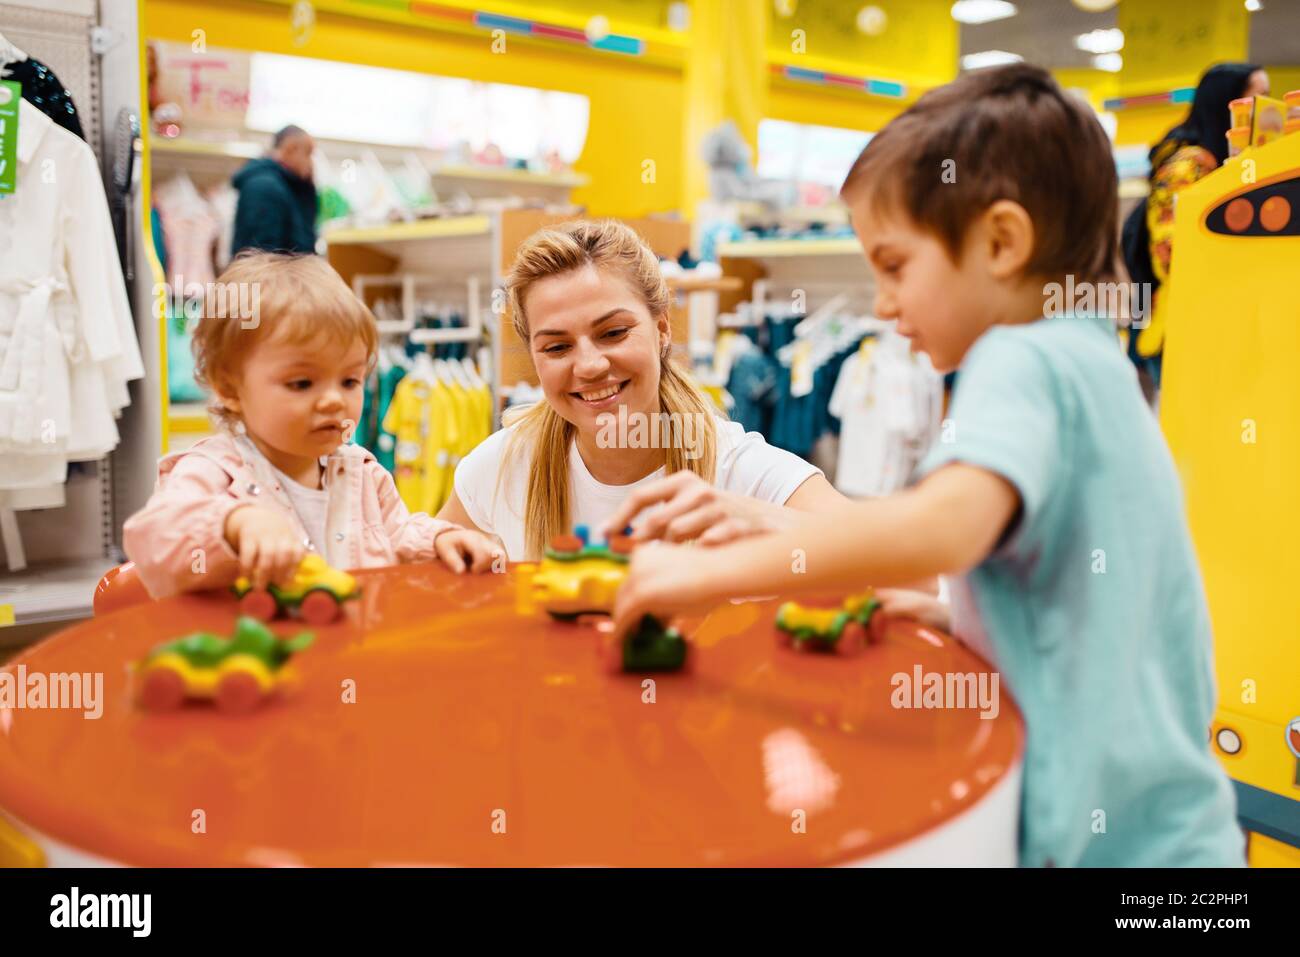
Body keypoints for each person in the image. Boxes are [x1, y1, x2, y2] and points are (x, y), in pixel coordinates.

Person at [613, 64, 1244, 867]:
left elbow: (945, 528)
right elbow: (1084, 596)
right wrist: (966, 620)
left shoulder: (1022, 362)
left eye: (894, 266)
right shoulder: (1090, 360)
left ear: (1001, 242)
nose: (879, 304)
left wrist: (707, 575)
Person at [438, 219, 848, 562]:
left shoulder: (742, 473)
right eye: (557, 347)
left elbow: (884, 562)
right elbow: (427, 574)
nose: (590, 365)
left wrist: (765, 523)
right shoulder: (504, 464)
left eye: (613, 333)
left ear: (663, 329)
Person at [123, 253, 499, 599]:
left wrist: (440, 541)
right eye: (302, 383)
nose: (334, 400)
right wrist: (233, 524)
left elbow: (398, 534)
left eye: (350, 381)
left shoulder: (362, 472)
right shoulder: (212, 471)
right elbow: (153, 538)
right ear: (229, 388)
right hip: (254, 661)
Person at [1123, 62, 1269, 381]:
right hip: (1185, 328)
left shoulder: (1234, 166)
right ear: (1226, 104)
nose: (1269, 110)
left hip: (1220, 325)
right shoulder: (1187, 169)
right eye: (1258, 98)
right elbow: (1172, 256)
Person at [230, 124, 319, 257]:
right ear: (290, 149)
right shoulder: (265, 188)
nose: (311, 162)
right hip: (273, 277)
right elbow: (258, 257)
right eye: (308, 153)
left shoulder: (287, 187)